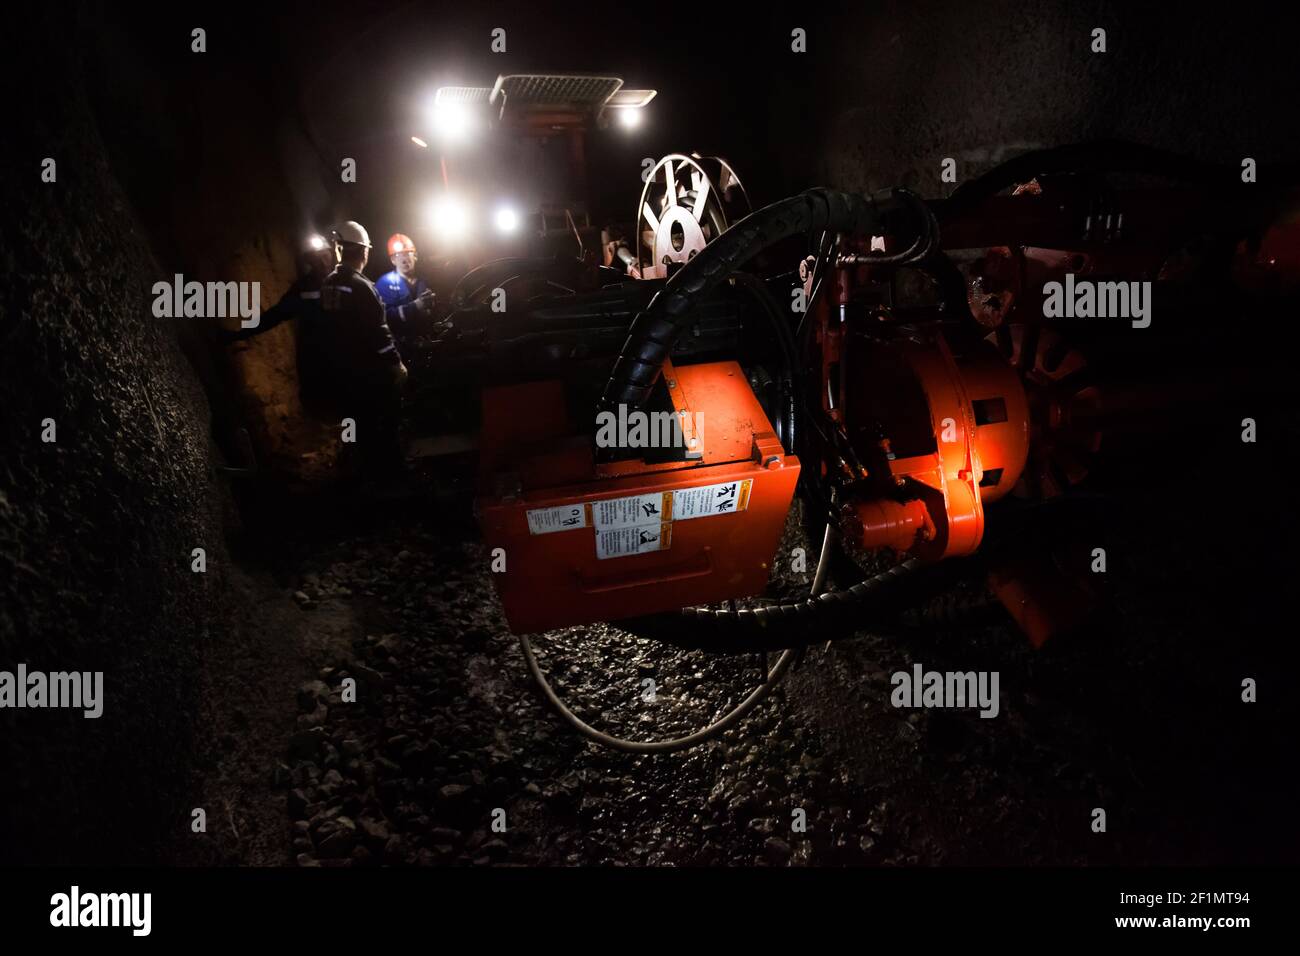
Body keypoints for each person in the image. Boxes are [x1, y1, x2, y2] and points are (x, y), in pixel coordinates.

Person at [306, 221, 409, 479]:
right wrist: (396, 364)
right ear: (364, 252)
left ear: (340, 249)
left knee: (353, 425)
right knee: (382, 422)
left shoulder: (328, 284)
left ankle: (357, 472)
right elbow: (378, 331)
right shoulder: (361, 286)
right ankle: (390, 475)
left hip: (338, 373)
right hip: (366, 373)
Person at [219, 233, 335, 343]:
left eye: (325, 256)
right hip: (319, 351)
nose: (323, 263)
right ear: (310, 262)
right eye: (317, 259)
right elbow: (274, 315)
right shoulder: (303, 288)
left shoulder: (343, 279)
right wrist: (239, 335)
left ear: (331, 254)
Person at [375, 233, 436, 348]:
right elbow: (384, 317)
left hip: (425, 344)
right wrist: (416, 306)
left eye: (407, 254)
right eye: (398, 255)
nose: (403, 260)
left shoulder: (425, 281)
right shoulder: (384, 283)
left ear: (415, 256)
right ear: (393, 260)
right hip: (400, 347)